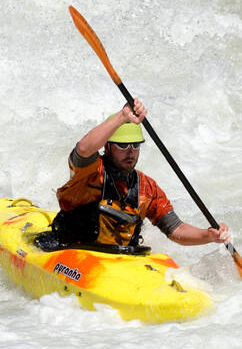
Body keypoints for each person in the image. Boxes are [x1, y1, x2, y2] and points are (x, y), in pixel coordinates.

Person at [51, 98, 230, 252]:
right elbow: (83, 149)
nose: (130, 152)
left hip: (120, 260)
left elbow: (176, 229)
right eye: (122, 146)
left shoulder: (146, 187)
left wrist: (208, 235)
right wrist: (122, 116)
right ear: (107, 146)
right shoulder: (90, 172)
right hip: (72, 251)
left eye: (135, 145)